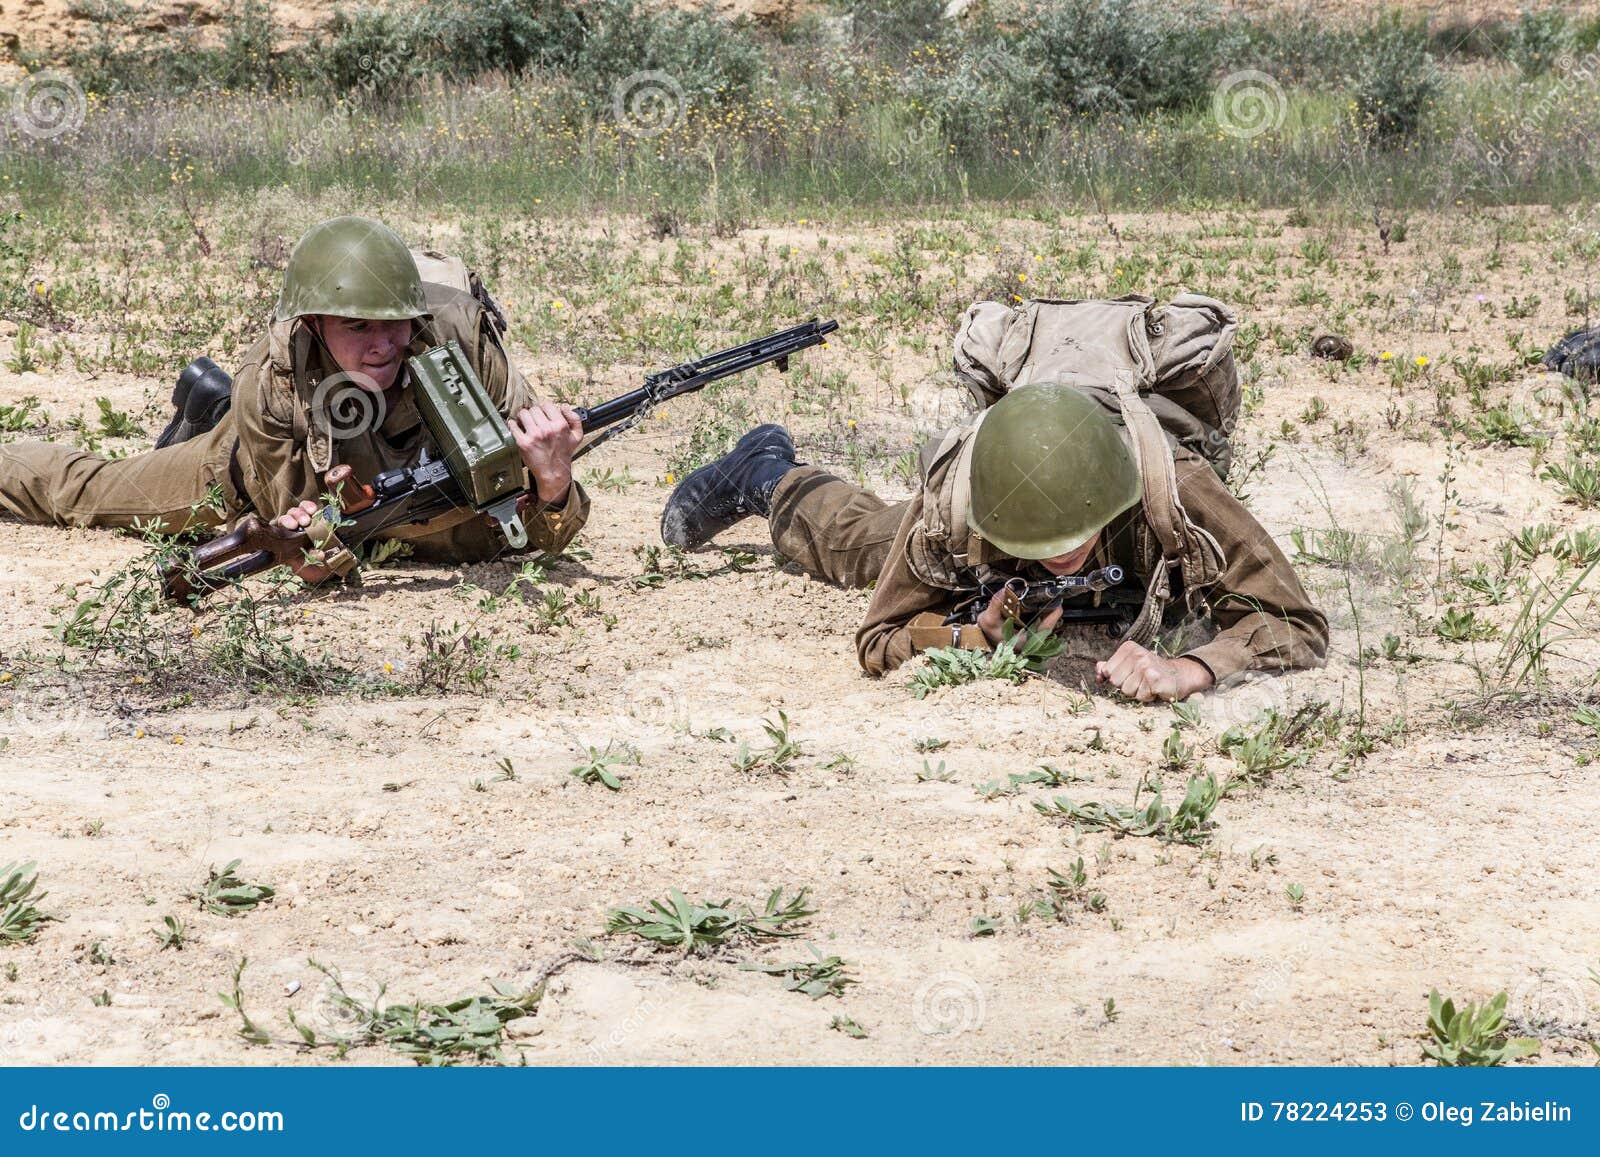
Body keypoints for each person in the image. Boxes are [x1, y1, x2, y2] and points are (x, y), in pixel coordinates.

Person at [0, 216, 587, 580]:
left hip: (406, 498)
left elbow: (549, 521)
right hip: (247, 476)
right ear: (312, 323)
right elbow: (310, 539)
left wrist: (552, 483)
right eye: (357, 328)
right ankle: (215, 417)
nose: (383, 345)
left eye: (397, 323)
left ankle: (209, 405)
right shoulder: (276, 377)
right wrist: (304, 546)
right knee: (86, 493)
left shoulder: (463, 341)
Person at [659, 384, 1327, 702]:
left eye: (1074, 534)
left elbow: (1294, 622)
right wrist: (966, 636)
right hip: (971, 488)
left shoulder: (1175, 490)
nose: (1059, 555)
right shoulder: (961, 504)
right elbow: (878, 638)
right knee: (861, 545)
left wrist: (1191, 667)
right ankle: (764, 471)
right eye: (1035, 540)